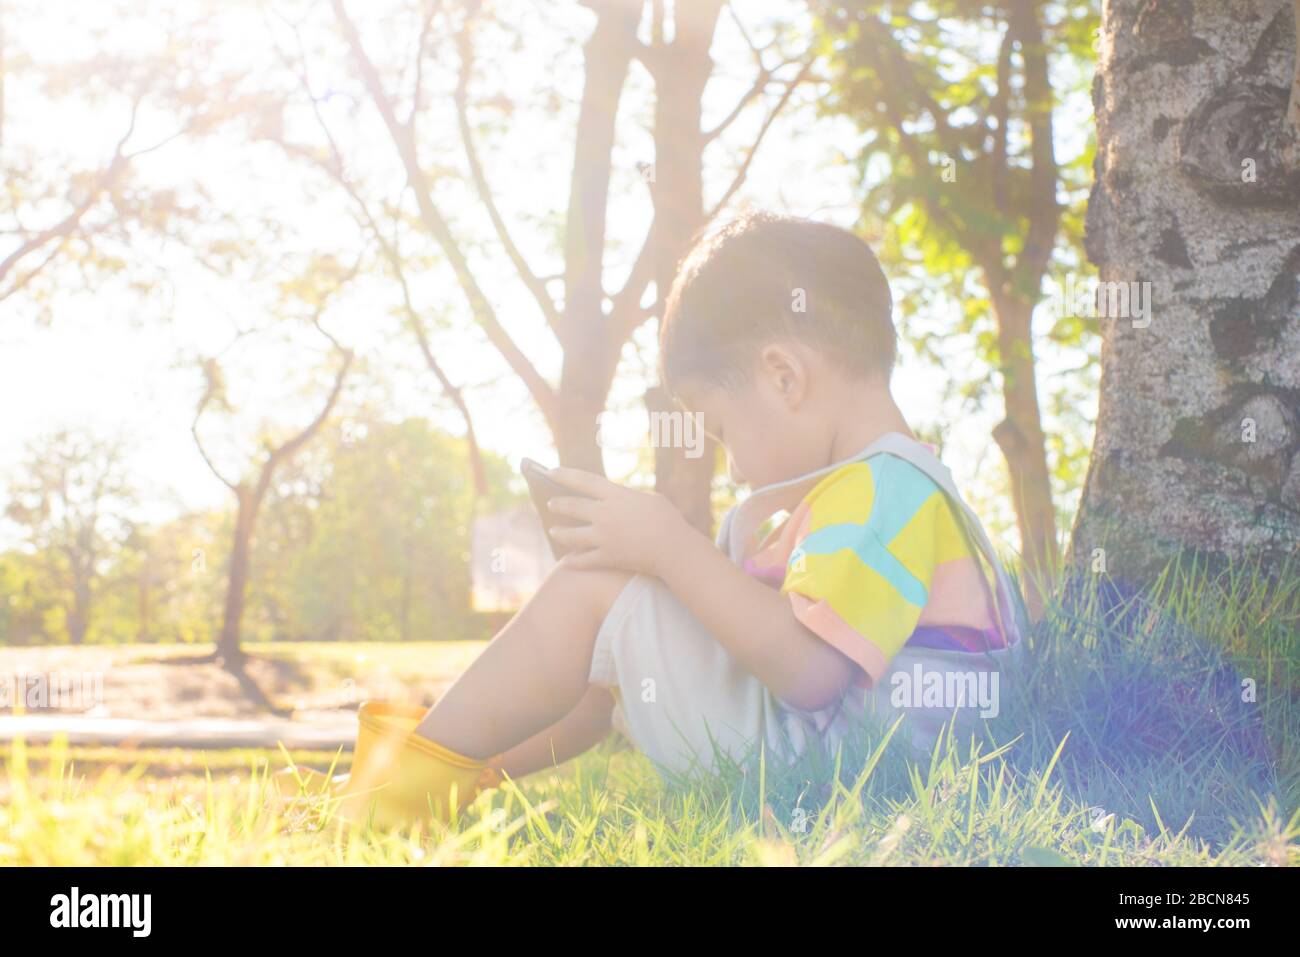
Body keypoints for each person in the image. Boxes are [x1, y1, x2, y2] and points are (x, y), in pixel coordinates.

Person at [278, 212, 1022, 829]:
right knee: (608, 645)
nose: (730, 467)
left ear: (784, 376)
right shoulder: (891, 488)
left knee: (594, 588)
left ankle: (380, 799)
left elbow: (811, 671)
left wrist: (670, 547)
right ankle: (459, 779)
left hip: (827, 780)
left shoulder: (881, 490)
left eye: (722, 429)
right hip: (849, 769)